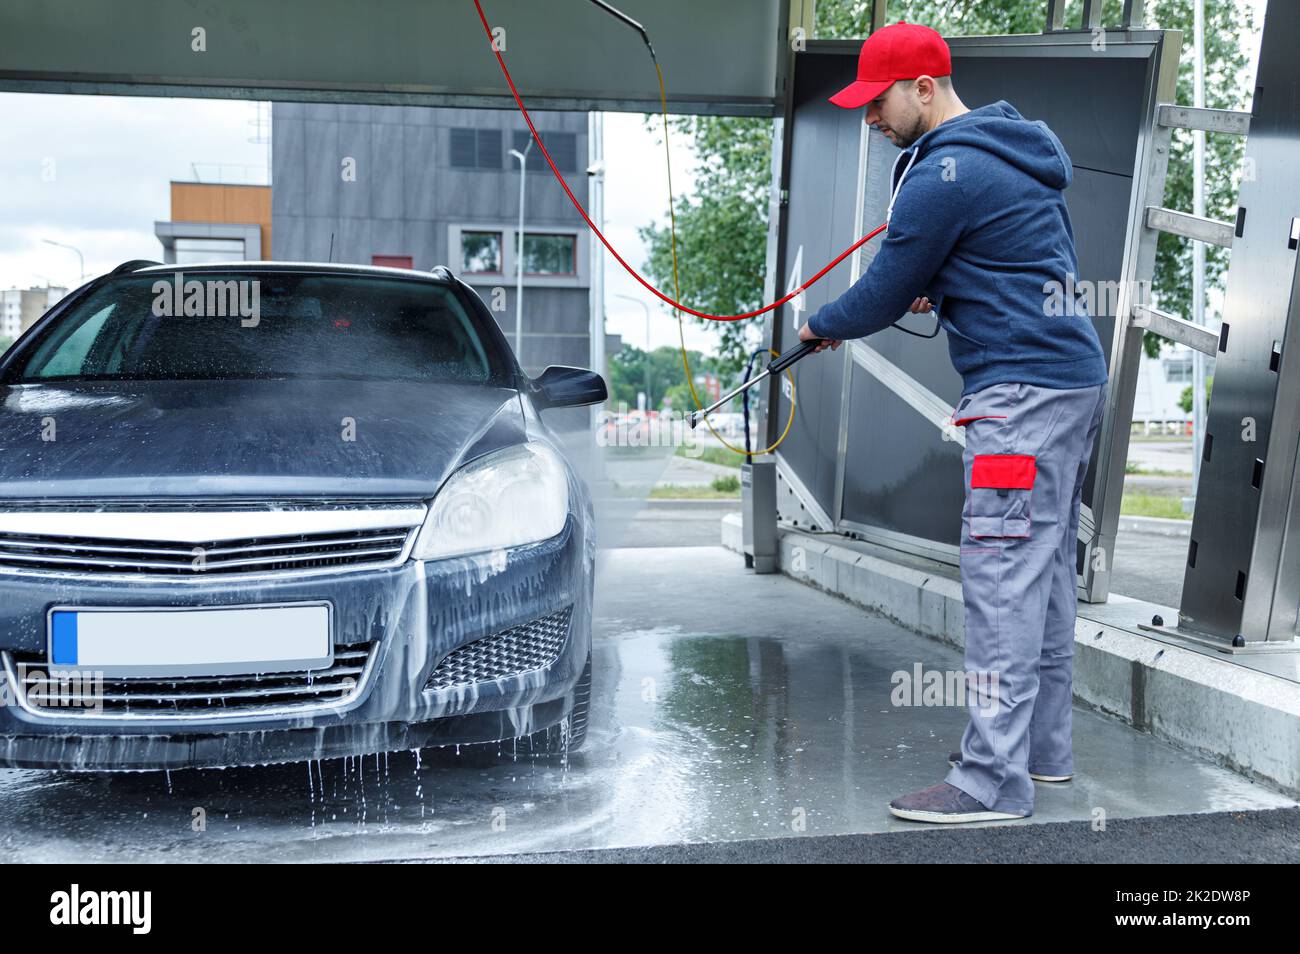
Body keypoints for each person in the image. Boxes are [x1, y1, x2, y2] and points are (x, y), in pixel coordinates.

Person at [798, 21, 1110, 823]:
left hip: (1020, 399)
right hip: (1070, 383)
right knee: (1039, 575)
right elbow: (1032, 265)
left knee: (1001, 578)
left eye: (879, 103)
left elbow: (881, 290)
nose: (870, 120)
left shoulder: (946, 174)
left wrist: (818, 321)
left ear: (925, 88)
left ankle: (989, 781)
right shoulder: (1017, 155)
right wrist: (961, 286)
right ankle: (1042, 754)